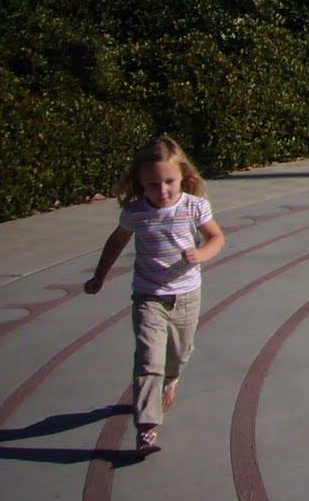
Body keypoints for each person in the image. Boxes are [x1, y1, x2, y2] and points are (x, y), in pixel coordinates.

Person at [85, 136, 225, 457]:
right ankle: (146, 427)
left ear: (182, 176)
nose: (162, 191)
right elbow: (116, 243)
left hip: (186, 295)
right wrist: (99, 275)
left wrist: (201, 254)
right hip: (148, 296)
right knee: (149, 361)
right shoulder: (135, 212)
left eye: (169, 182)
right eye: (152, 185)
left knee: (179, 353)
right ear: (139, 183)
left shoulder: (193, 206)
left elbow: (216, 237)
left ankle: (170, 380)